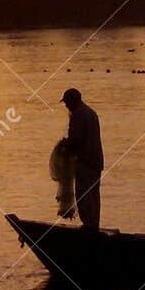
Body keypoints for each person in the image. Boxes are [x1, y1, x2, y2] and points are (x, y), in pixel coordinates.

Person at [58, 88, 103, 230]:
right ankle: (94, 224)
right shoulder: (91, 113)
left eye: (67, 102)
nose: (66, 105)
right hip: (96, 161)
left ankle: (89, 226)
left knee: (83, 195)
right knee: (94, 195)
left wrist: (65, 144)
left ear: (73, 101)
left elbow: (76, 140)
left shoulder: (78, 115)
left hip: (86, 161)